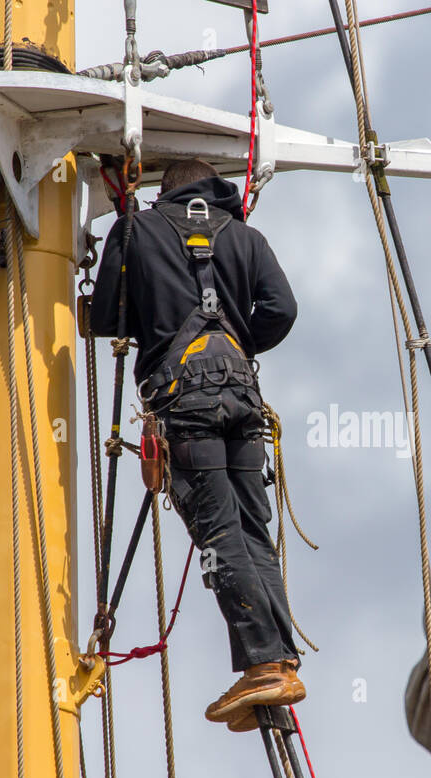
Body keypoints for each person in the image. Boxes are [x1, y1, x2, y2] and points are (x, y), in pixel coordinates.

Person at [89, 158, 303, 732]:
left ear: (168, 190)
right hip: (242, 396)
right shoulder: (246, 236)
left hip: (183, 399)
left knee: (218, 530)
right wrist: (233, 347)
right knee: (252, 527)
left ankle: (262, 666)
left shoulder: (137, 228)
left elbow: (105, 316)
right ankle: (279, 657)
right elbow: (282, 311)